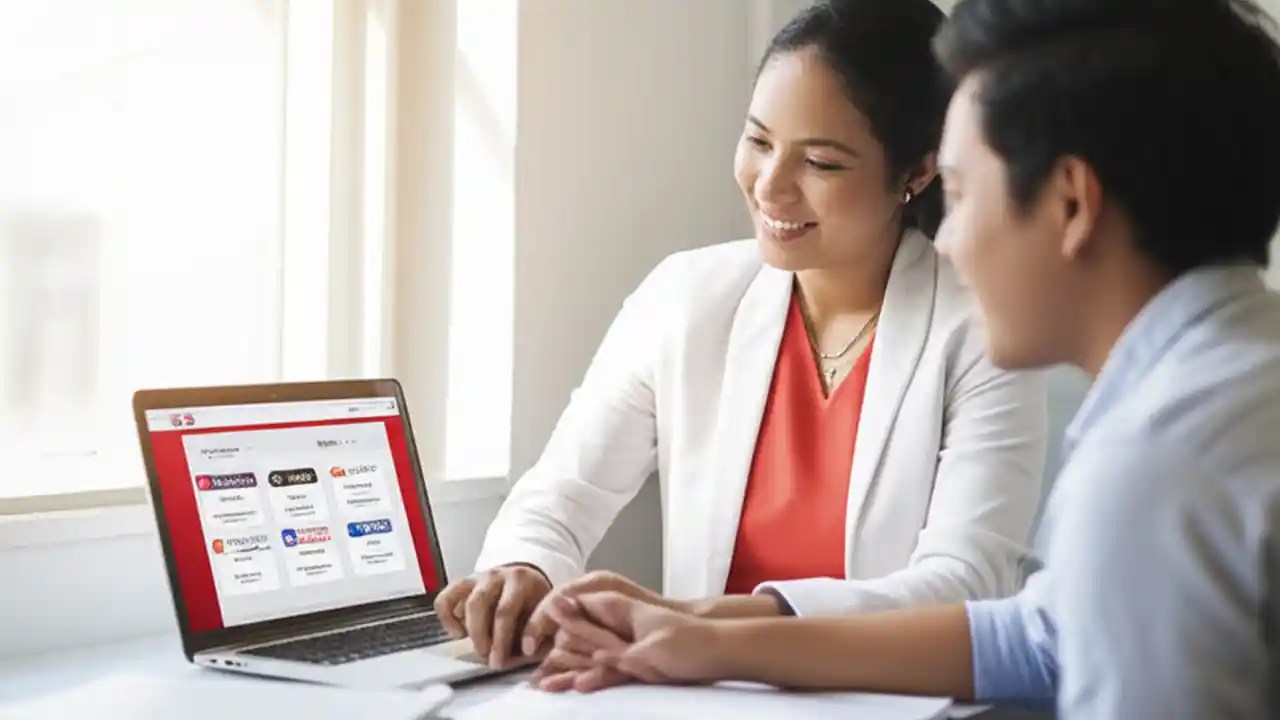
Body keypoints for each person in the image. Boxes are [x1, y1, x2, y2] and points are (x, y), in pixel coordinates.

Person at [536, 0, 1280, 716]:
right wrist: (709, 639)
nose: (947, 240)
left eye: (959, 192)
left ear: (1071, 204)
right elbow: (1039, 636)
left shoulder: (1158, 463)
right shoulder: (1228, 386)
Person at [434, 0, 1049, 671]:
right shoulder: (684, 298)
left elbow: (963, 586)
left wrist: (702, 624)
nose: (770, 187)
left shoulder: (986, 329)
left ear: (917, 171)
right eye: (758, 142)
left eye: (820, 162)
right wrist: (524, 568)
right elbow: (562, 497)